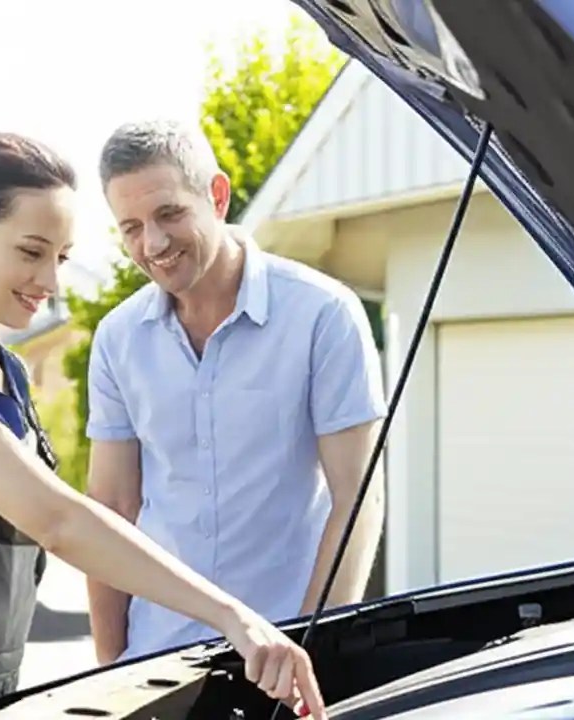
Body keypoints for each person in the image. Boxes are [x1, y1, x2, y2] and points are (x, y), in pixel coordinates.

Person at [0, 132, 327, 720]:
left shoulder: (8, 376)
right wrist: (234, 616)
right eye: (30, 251)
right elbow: (59, 520)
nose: (50, 281)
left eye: (61, 257)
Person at [85, 119, 388, 665]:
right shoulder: (117, 340)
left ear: (217, 195)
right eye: (130, 227)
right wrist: (109, 668)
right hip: (154, 664)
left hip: (284, 654)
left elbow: (357, 496)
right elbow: (112, 510)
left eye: (169, 214)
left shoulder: (323, 316)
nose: (152, 244)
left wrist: (314, 648)